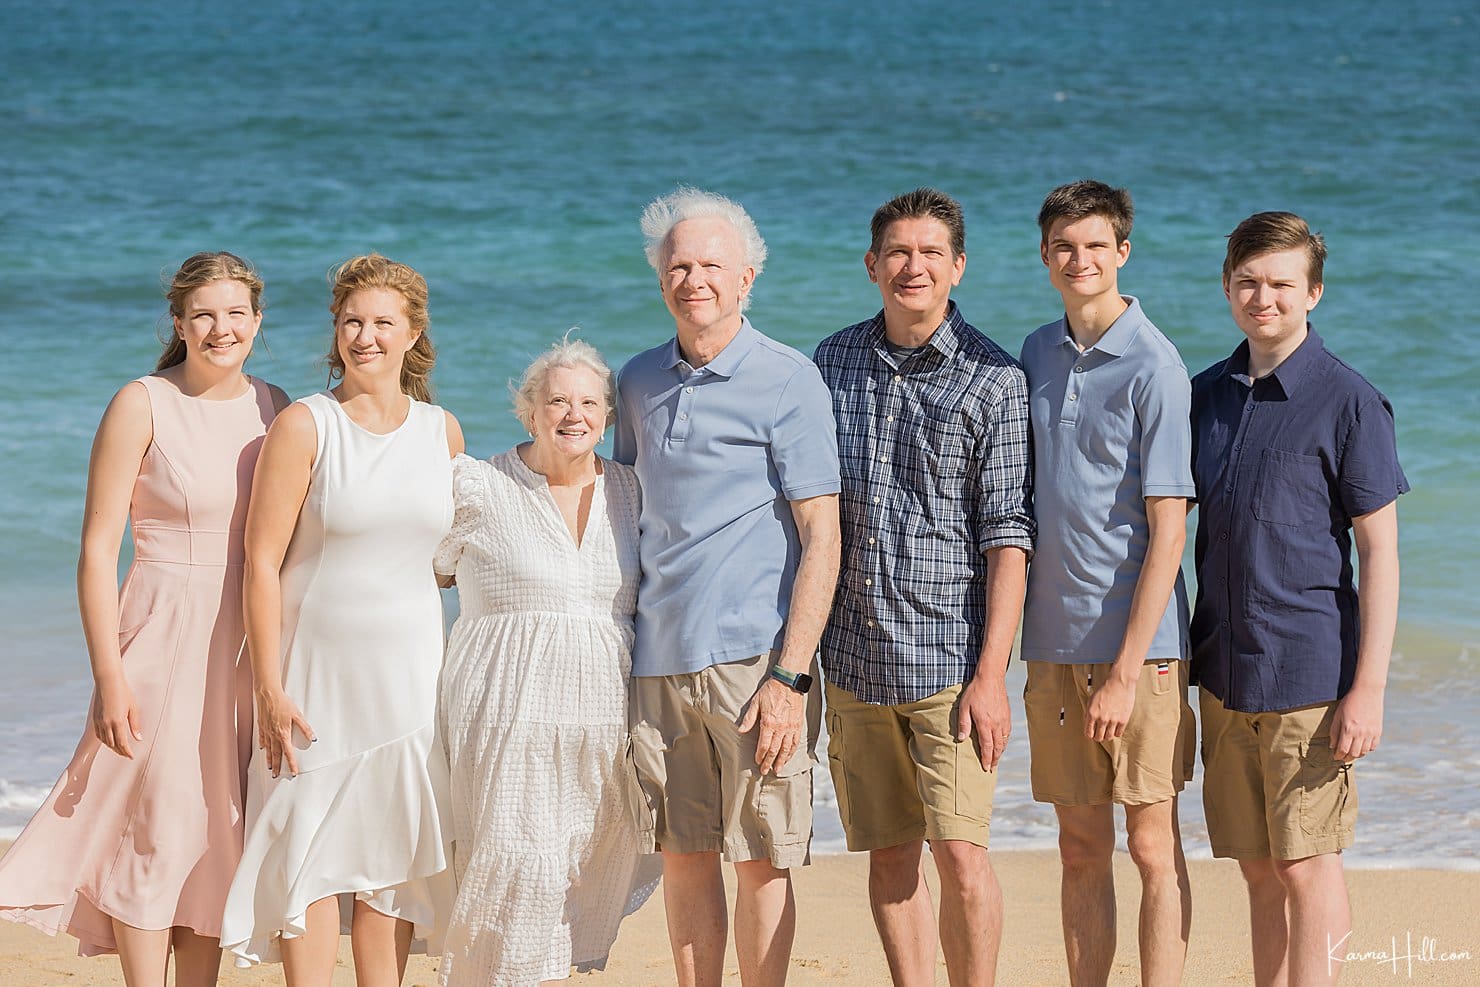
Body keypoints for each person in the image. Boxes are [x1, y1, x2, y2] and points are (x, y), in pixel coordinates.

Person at [0, 253, 287, 986]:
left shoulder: (277, 406)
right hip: (159, 631)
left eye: (235, 313)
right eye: (205, 314)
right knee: (158, 826)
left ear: (257, 320)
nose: (221, 328)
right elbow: (97, 550)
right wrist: (109, 671)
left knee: (218, 830)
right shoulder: (141, 402)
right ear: (180, 322)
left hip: (248, 643)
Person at [614, 187, 841, 987]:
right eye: (678, 265)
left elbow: (823, 535)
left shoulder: (789, 379)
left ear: (747, 277)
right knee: (684, 854)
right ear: (660, 278)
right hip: (656, 661)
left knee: (761, 859)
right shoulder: (636, 380)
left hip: (754, 664)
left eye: (711, 264)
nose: (693, 278)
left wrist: (790, 676)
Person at [220, 253, 463, 986]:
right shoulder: (305, 423)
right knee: (310, 859)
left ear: (413, 332)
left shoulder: (442, 431)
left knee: (391, 857)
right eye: (352, 321)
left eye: (383, 322)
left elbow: (453, 560)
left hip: (411, 675)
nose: (366, 336)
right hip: (315, 673)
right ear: (336, 330)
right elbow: (259, 562)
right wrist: (268, 682)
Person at [812, 188, 1033, 987]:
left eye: (931, 253)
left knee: (965, 859)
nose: (914, 266)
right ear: (872, 266)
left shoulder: (994, 381)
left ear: (958, 267)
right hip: (853, 660)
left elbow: (1009, 537)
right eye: (898, 252)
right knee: (889, 857)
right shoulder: (829, 362)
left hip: (949, 666)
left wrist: (991, 677)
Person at [1190, 212, 1406, 987]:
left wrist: (1368, 690)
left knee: (1307, 866)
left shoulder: (1351, 401)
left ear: (1313, 292)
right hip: (1222, 673)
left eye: (1282, 283)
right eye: (1248, 281)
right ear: (1227, 287)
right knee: (1256, 870)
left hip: (1310, 679)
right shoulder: (1206, 396)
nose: (1263, 297)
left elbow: (1380, 553)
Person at [432, 338, 660, 986]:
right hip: (506, 718)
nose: (572, 413)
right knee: (511, 861)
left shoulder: (632, 492)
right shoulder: (475, 483)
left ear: (609, 415)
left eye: (588, 401)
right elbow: (425, 567)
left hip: (600, 727)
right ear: (527, 411)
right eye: (556, 399)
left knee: (569, 875)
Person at [1018, 179, 1197, 986]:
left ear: (1123, 252)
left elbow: (1169, 531)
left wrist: (1127, 672)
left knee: (1151, 844)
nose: (1079, 259)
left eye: (1095, 245)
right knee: (1079, 846)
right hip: (1053, 646)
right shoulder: (1034, 352)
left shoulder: (1156, 365)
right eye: (1064, 245)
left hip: (1141, 654)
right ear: (1046, 255)